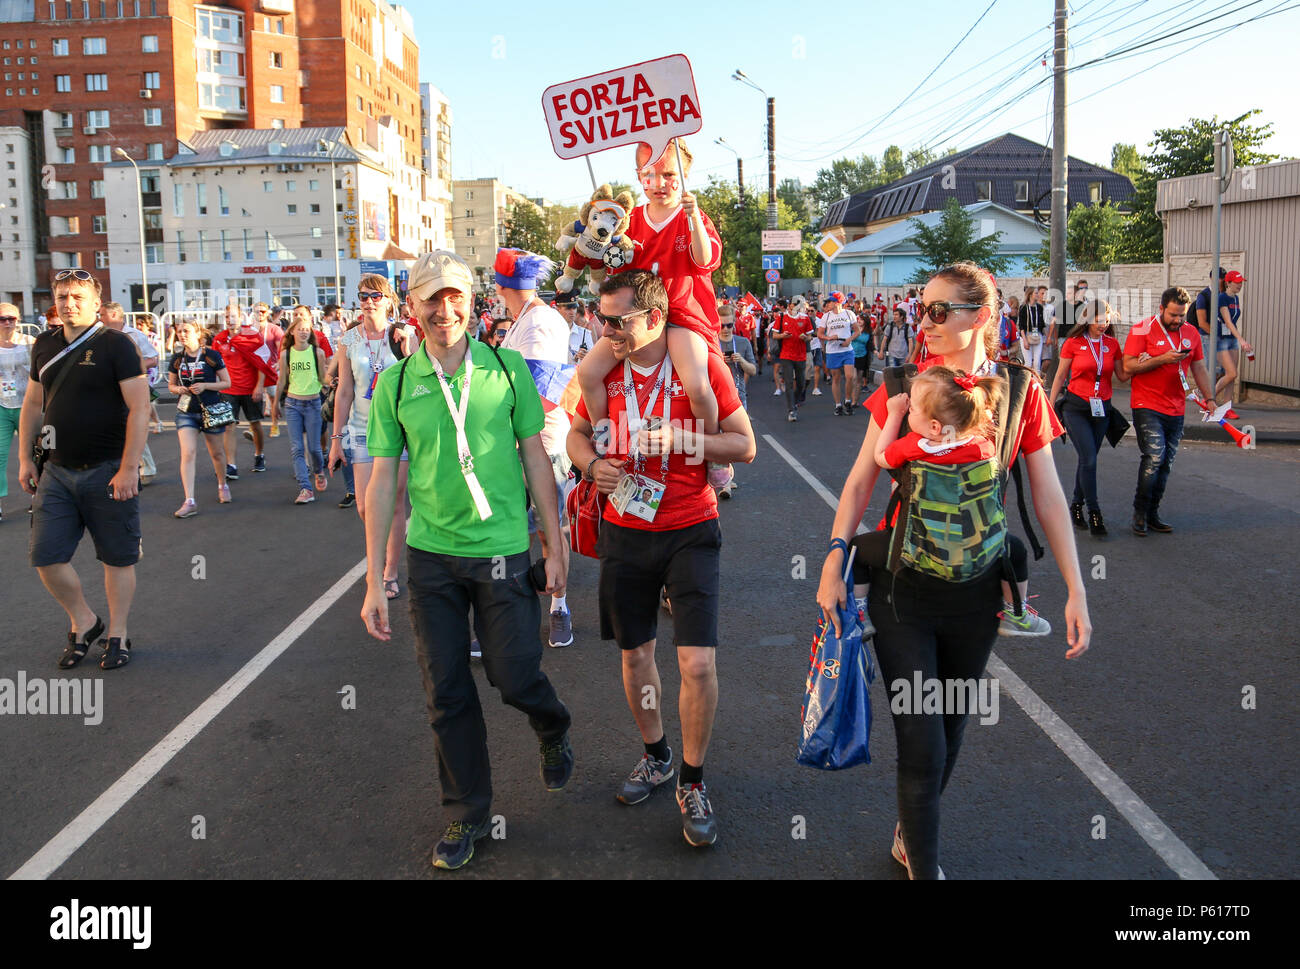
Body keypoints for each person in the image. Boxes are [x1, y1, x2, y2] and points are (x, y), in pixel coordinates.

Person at [816, 262, 1091, 880]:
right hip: (900, 589)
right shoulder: (902, 389)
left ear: (982, 317)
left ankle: (911, 830)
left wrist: (1076, 589)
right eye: (924, 308)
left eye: (941, 311)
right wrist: (835, 558)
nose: (926, 321)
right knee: (920, 737)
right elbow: (863, 478)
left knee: (950, 724)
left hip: (976, 595)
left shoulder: (1019, 392)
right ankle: (925, 864)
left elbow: (1047, 494)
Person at [360, 250, 573, 871]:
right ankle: (466, 813)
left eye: (454, 296)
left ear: (472, 302)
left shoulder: (507, 371)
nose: (444, 309)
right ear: (413, 308)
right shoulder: (396, 383)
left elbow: (537, 460)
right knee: (446, 690)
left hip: (504, 551)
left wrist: (553, 547)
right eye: (431, 298)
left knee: (512, 675)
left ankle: (552, 723)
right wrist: (377, 578)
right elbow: (381, 486)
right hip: (431, 560)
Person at [566, 270, 757, 848]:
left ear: (655, 317)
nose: (606, 330)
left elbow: (744, 444)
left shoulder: (696, 364)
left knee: (697, 664)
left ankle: (693, 781)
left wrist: (682, 440)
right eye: (601, 318)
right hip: (624, 530)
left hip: (690, 527)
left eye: (618, 321)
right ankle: (657, 756)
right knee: (635, 657)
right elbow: (576, 434)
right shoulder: (605, 369)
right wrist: (588, 466)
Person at [576, 138, 732, 489]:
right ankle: (605, 438)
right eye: (649, 175)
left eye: (669, 174)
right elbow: (613, 267)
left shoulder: (694, 216)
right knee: (588, 372)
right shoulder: (629, 221)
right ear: (638, 175)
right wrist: (595, 241)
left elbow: (705, 260)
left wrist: (693, 220)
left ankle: (712, 454)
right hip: (639, 319)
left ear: (686, 174)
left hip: (679, 318)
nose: (659, 183)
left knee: (696, 385)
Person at [18, 269, 149, 671]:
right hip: (56, 469)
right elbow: (32, 405)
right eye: (61, 297)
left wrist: (129, 468)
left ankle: (118, 634)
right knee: (46, 557)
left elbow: (141, 407)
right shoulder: (43, 344)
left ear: (96, 302)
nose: (68, 303)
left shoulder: (117, 345)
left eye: (77, 296)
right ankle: (85, 620)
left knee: (117, 558)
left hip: (108, 469)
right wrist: (25, 458)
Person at [493, 248, 577, 648]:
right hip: (522, 444)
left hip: (541, 447)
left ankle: (559, 607)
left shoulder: (539, 322)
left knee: (549, 533)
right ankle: (510, 613)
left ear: (500, 285)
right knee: (512, 535)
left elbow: (538, 395)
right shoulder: (525, 320)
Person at [327, 273, 414, 598]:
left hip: (397, 430)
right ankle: (379, 561)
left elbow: (420, 378)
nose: (367, 301)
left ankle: (387, 571)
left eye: (374, 296)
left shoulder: (404, 334)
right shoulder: (349, 339)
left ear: (388, 300)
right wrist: (336, 439)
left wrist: (408, 351)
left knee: (391, 504)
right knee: (365, 506)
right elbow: (345, 391)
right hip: (361, 430)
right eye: (363, 295)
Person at [1123, 287, 1215, 537]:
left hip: (1176, 407)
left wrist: (1210, 398)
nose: (1178, 320)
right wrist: (1161, 359)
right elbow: (1128, 365)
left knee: (1166, 464)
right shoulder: (1142, 329)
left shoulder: (1191, 332)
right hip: (1146, 405)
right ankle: (1139, 513)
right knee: (1154, 457)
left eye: (1182, 315)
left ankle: (1153, 513)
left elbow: (1198, 367)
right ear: (1161, 309)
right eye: (1173, 315)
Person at [1048, 299, 1128, 538]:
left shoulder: (1112, 344)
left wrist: (1144, 361)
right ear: (1087, 319)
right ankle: (1094, 512)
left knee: (1087, 460)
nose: (1102, 325)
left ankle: (1075, 505)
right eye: (1097, 320)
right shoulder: (1073, 343)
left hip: (1102, 408)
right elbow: (1060, 376)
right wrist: (1050, 408)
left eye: (1105, 320)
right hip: (1075, 407)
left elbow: (1123, 375)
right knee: (1089, 458)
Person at [167, 318, 232, 516]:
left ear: (197, 333)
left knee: (217, 453)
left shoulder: (211, 355)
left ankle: (222, 484)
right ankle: (189, 500)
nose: (182, 334)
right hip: (186, 412)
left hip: (210, 409)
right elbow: (170, 385)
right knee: (188, 453)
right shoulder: (177, 359)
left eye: (186, 330)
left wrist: (205, 386)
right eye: (179, 331)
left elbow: (226, 382)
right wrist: (177, 388)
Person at [213, 302, 277, 478]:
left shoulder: (252, 336)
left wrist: (259, 386)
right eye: (227, 317)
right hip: (228, 390)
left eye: (233, 316)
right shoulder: (219, 338)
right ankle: (231, 465)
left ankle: (259, 454)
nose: (230, 320)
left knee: (255, 424)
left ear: (241, 317)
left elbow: (262, 363)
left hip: (250, 389)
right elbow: (215, 364)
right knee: (229, 426)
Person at [101, 302, 160, 486]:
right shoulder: (101, 336)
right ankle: (120, 468)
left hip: (132, 387)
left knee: (132, 427)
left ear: (114, 315)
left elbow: (154, 358)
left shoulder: (135, 335)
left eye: (102, 314)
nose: (99, 318)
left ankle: (146, 468)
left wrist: (131, 369)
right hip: (110, 388)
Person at [276, 305, 329, 505]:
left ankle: (318, 471)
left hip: (314, 403)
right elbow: (282, 380)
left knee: (315, 449)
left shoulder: (318, 353)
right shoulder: (286, 355)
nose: (304, 332)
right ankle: (306, 488)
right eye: (300, 329)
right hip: (292, 404)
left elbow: (323, 378)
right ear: (292, 331)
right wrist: (275, 406)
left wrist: (332, 382)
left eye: (307, 329)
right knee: (297, 448)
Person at [0, 302, 34, 521]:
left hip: (27, 406)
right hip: (2, 406)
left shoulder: (30, 343)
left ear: (18, 319)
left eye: (11, 318)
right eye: (2, 319)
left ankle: (37, 498)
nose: (7, 323)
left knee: (34, 454)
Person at [1204, 271, 1252, 414]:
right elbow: (1228, 322)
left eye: (1241, 282)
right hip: (1221, 339)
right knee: (1231, 373)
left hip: (1231, 339)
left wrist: (1238, 339)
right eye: (1236, 282)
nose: (1239, 285)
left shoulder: (1236, 299)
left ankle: (1227, 407)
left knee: (1232, 375)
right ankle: (1208, 399)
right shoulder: (1222, 298)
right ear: (1228, 283)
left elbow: (1233, 324)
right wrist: (1242, 340)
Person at [817, 292, 861, 416]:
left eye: (830, 301)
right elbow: (820, 334)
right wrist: (828, 338)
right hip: (833, 350)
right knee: (836, 378)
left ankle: (847, 401)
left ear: (837, 302)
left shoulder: (849, 313)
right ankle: (838, 404)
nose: (828, 304)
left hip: (847, 350)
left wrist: (849, 340)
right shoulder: (826, 316)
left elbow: (857, 331)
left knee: (850, 376)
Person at [771, 297, 813, 421]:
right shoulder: (782, 317)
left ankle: (794, 402)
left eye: (795, 305)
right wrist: (783, 335)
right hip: (786, 355)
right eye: (791, 304)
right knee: (789, 382)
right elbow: (774, 335)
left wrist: (805, 338)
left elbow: (810, 336)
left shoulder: (805, 318)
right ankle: (791, 410)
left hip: (800, 355)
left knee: (801, 383)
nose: (792, 307)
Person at [1017, 287, 1046, 377]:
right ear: (1030, 295)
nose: (1037, 295)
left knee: (1037, 362)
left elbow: (1042, 324)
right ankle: (1025, 382)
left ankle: (1037, 383)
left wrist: (1047, 336)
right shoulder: (1023, 308)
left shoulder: (1040, 307)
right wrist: (1024, 340)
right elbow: (1021, 325)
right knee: (1028, 362)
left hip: (1038, 335)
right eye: (1036, 293)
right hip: (1026, 335)